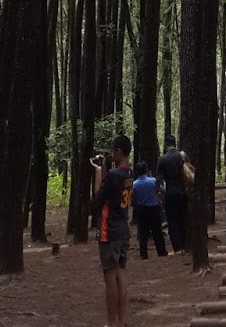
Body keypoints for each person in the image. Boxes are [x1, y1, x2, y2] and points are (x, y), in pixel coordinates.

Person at [91, 135, 133, 327]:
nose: (111, 153)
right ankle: (122, 320)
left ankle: (111, 322)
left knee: (110, 276)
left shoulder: (114, 175)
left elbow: (98, 197)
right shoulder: (128, 174)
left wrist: (99, 173)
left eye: (113, 150)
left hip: (110, 229)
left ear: (119, 151)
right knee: (121, 272)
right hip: (123, 228)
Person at [156, 134, 186, 254]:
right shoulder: (182, 156)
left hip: (170, 192)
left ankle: (177, 248)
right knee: (182, 218)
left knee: (172, 220)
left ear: (165, 145)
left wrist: (157, 193)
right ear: (175, 143)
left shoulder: (162, 159)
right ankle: (183, 245)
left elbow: (158, 179)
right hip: (183, 192)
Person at [131, 162, 167, 259]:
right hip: (154, 208)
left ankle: (144, 255)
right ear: (146, 170)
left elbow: (133, 197)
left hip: (142, 210)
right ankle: (162, 252)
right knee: (157, 232)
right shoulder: (153, 181)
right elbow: (163, 190)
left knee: (143, 233)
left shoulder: (134, 184)